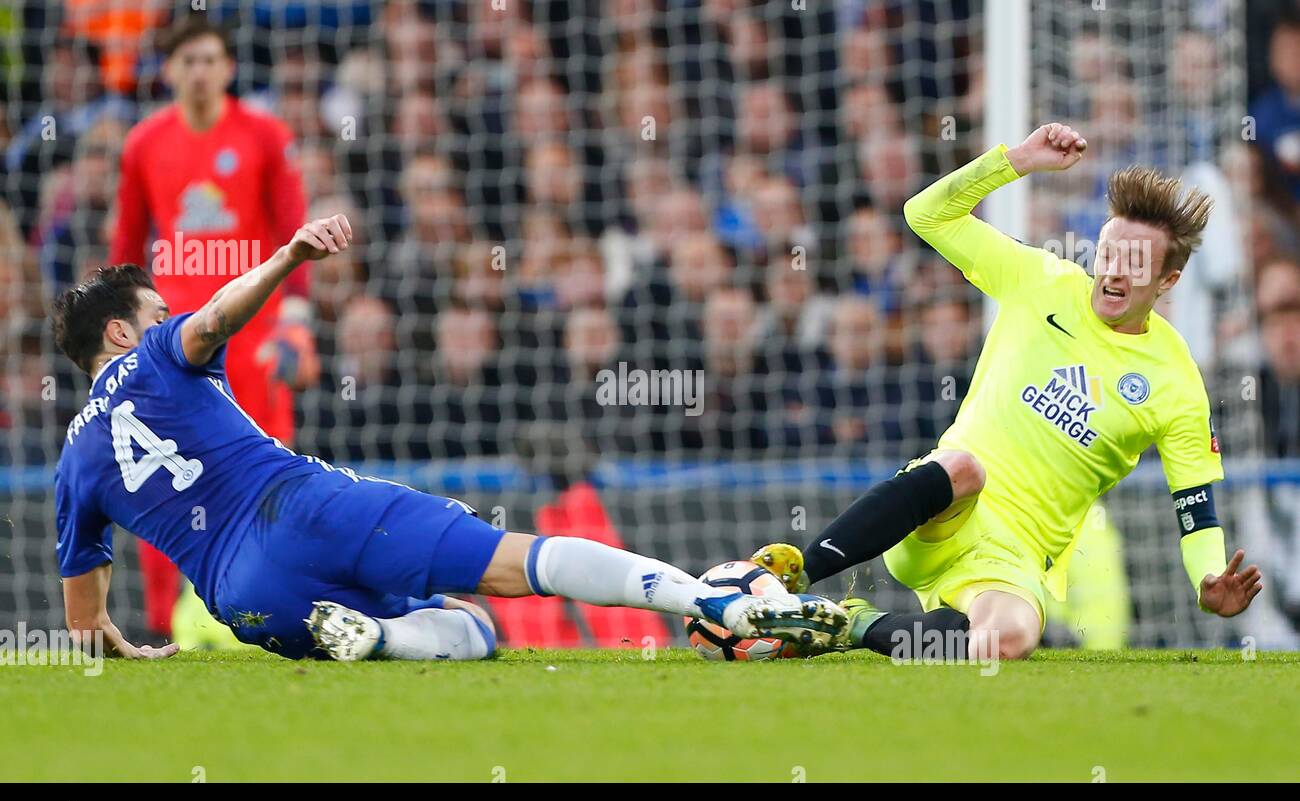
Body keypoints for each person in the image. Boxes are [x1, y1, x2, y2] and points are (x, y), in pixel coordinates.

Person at [52, 213, 847, 662]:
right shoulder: (154, 355)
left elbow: (86, 627)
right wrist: (289, 256)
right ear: (121, 332)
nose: (170, 318)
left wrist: (132, 653)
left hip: (246, 600)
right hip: (297, 506)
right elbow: (221, 317)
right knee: (513, 566)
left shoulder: (72, 466)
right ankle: (703, 599)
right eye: (158, 311)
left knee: (468, 630)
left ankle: (382, 638)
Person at [753, 123, 1261, 661]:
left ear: (1168, 281)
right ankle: (799, 572)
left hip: (1013, 560)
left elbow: (1196, 511)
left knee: (1006, 640)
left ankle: (844, 624)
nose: (1112, 272)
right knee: (966, 466)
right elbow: (925, 215)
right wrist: (1014, 161)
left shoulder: (1176, 381)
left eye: (1134, 263)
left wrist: (1209, 578)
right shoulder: (1040, 281)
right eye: (1108, 254)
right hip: (941, 513)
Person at [107, 16, 316, 637]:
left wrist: (296, 326)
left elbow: (295, 236)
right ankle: (159, 626)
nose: (198, 72)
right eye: (187, 61)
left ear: (228, 69)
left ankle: (279, 609)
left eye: (209, 60)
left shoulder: (265, 136)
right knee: (161, 478)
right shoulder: (144, 144)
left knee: (269, 473)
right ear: (169, 71)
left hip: (251, 342)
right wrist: (118, 333)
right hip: (172, 344)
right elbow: (124, 250)